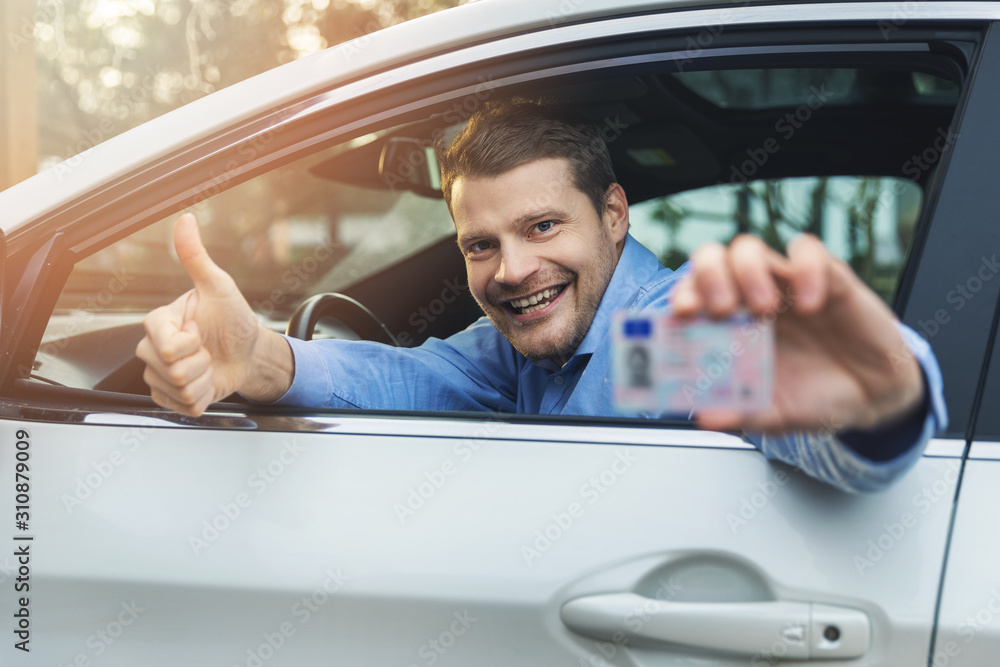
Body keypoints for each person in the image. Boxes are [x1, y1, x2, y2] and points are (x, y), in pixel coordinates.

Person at [136, 99, 946, 492]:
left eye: (543, 226)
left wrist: (877, 403)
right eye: (480, 244)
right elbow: (415, 379)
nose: (512, 270)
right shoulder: (527, 347)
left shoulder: (654, 344)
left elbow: (780, 383)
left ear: (615, 214)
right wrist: (259, 357)